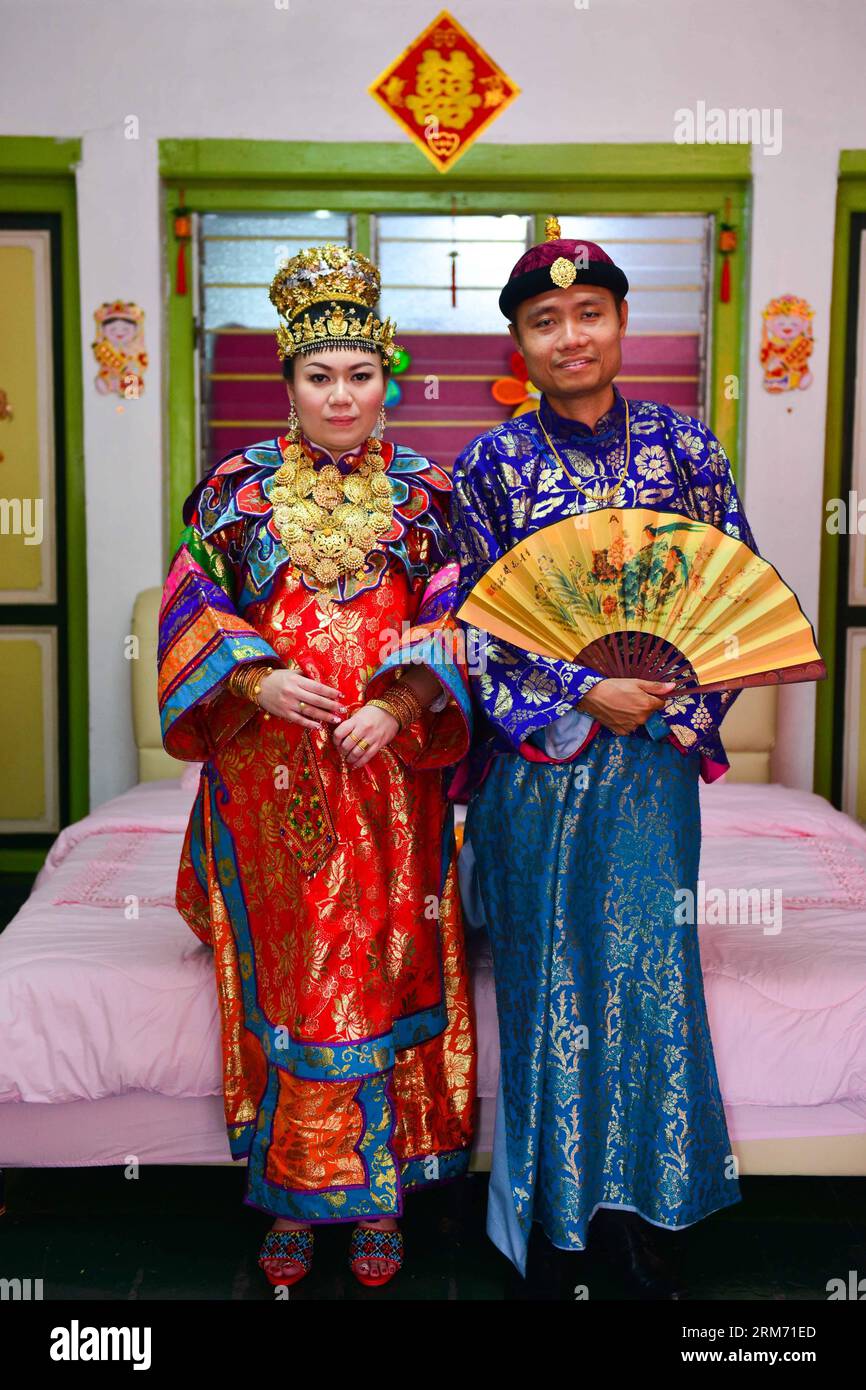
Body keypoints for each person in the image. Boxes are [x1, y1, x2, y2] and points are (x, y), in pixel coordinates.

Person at [158, 243, 476, 1289]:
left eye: (359, 374)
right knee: (300, 978)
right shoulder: (232, 494)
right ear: (287, 383)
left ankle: (375, 1194)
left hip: (391, 779)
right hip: (271, 781)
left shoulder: (431, 496)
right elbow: (191, 610)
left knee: (381, 967)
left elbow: (459, 620)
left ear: (386, 377)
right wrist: (253, 682)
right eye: (318, 376)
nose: (341, 395)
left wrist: (398, 700)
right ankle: (295, 1192)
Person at [448, 216, 755, 1292]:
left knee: (645, 970)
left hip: (652, 763)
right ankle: (548, 1211)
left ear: (621, 321)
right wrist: (582, 688)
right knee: (546, 976)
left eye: (587, 313)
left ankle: (646, 1206)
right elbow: (477, 628)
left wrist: (660, 699)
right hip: (536, 768)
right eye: (543, 322)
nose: (569, 335)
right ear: (518, 347)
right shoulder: (486, 465)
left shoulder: (685, 451)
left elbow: (731, 602)